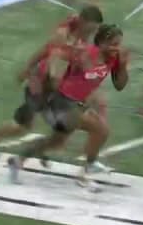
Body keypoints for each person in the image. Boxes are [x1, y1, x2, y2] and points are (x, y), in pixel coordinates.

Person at [0, 7, 103, 184]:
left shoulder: (79, 37)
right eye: (90, 29)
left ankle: (24, 156)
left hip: (52, 89)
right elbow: (53, 68)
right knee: (22, 127)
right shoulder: (64, 37)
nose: (92, 33)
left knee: (56, 136)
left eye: (94, 30)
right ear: (82, 22)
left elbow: (49, 53)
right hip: (42, 88)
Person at [9, 23, 130, 190]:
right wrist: (47, 78)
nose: (116, 48)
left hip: (76, 104)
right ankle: (87, 169)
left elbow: (120, 85)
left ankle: (18, 161)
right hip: (60, 102)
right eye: (113, 44)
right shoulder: (85, 53)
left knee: (55, 142)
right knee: (101, 130)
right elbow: (55, 54)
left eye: (118, 44)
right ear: (101, 42)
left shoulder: (114, 59)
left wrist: (122, 66)